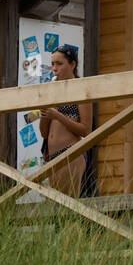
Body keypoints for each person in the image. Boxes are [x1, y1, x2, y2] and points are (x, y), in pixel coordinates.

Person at [39, 45, 92, 198]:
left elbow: (85, 130)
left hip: (71, 152)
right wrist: (45, 113)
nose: (54, 68)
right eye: (52, 64)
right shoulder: (52, 89)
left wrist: (58, 116)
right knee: (54, 209)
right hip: (52, 154)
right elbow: (43, 132)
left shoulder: (80, 88)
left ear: (73, 64)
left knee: (67, 207)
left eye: (59, 64)